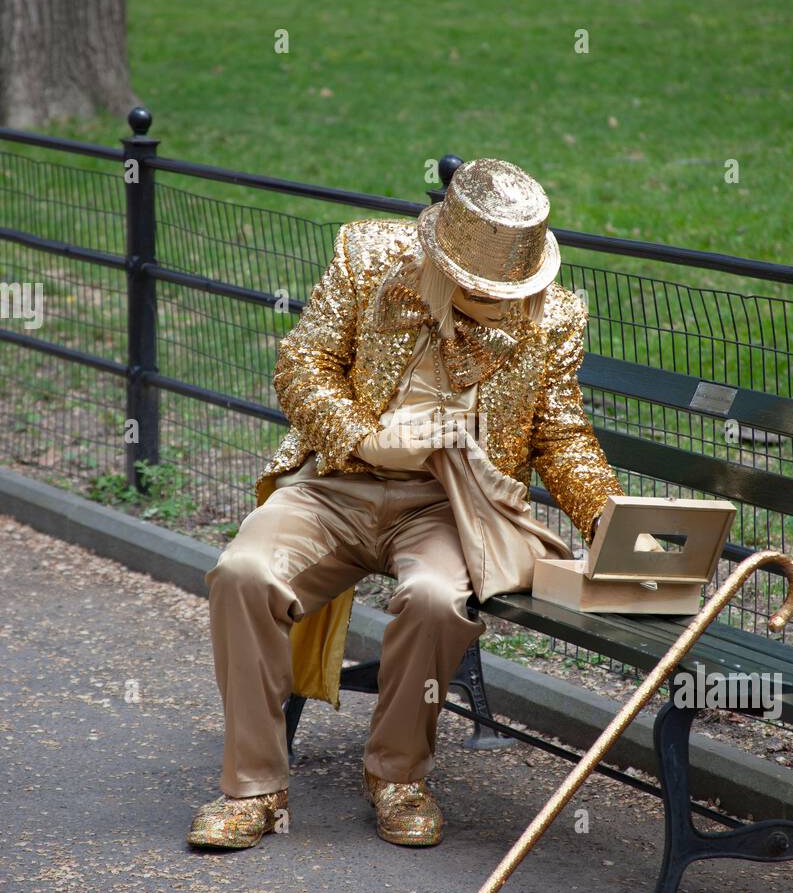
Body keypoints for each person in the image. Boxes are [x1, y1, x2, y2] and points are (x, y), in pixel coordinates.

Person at [188, 159, 623, 851]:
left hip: (449, 506)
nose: (502, 304)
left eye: (512, 291)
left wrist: (608, 518)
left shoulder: (556, 316)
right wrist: (371, 438)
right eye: (482, 290)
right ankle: (254, 788)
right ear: (442, 259)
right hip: (337, 482)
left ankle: (397, 775)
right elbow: (303, 365)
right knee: (244, 573)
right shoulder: (366, 257)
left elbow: (559, 431)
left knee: (436, 599)